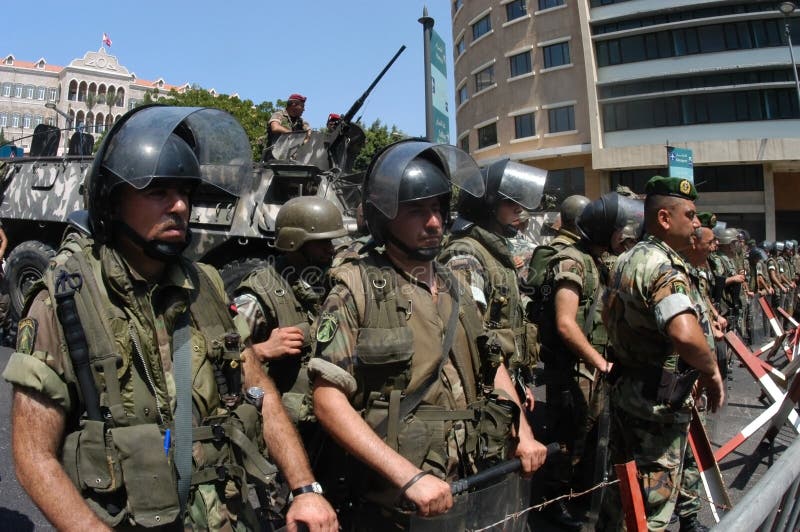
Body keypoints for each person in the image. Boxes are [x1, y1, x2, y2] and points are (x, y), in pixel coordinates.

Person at [2, 105, 336, 531]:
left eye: (185, 191)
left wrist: (306, 490)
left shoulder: (207, 288)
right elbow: (34, 456)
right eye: (158, 191)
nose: (180, 205)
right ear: (113, 200)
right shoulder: (64, 301)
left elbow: (259, 389)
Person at [309, 140, 548, 529]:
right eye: (417, 211)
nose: (434, 222)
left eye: (438, 209)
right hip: (399, 503)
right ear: (384, 216)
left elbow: (492, 363)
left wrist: (521, 430)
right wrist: (409, 477)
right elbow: (328, 400)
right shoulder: (357, 287)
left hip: (471, 483)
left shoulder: (456, 284)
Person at [601, 176, 725, 531]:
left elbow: (606, 315)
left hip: (628, 390)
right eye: (690, 214)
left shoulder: (627, 258)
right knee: (651, 507)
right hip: (656, 405)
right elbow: (684, 334)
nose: (697, 223)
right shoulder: (662, 267)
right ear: (664, 219)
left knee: (621, 494)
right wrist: (711, 370)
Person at [537, 192, 639, 529]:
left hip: (592, 365)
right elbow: (566, 324)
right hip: (573, 369)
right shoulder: (572, 261)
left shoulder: (595, 259)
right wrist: (601, 363)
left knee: (591, 436)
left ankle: (578, 495)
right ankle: (552, 504)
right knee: (568, 439)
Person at [439, 158, 547, 409]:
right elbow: (471, 337)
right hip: (486, 392)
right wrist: (505, 394)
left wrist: (518, 384)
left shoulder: (494, 253)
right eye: (510, 201)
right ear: (487, 206)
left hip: (503, 384)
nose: (519, 208)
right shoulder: (466, 256)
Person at [234, 196, 347, 432]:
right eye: (321, 242)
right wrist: (263, 350)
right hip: (287, 427)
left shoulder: (329, 283)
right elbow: (222, 358)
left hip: (331, 422)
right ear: (295, 243)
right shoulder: (259, 295)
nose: (331, 249)